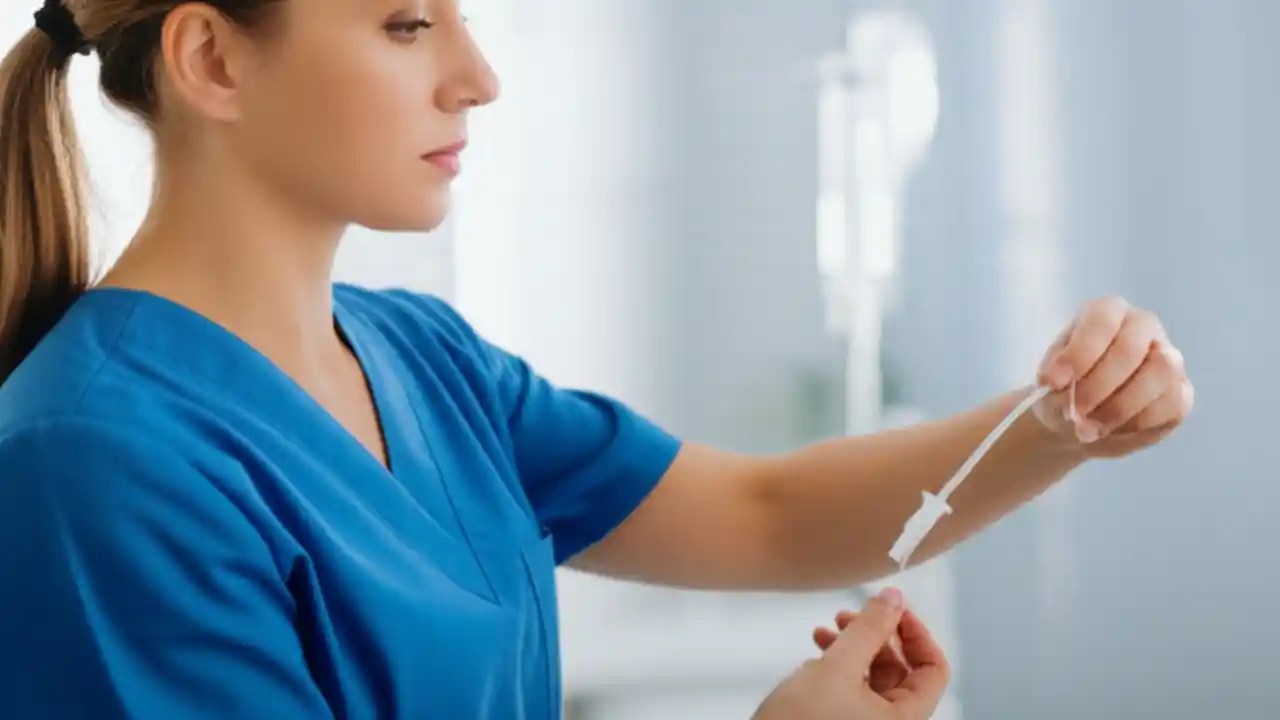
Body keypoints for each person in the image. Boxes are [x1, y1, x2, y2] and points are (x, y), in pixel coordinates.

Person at [0, 1, 1194, 718]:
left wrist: (1056, 423)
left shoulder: (422, 358)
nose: (477, 79)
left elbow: (766, 517)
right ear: (212, 59)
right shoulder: (97, 461)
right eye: (407, 24)